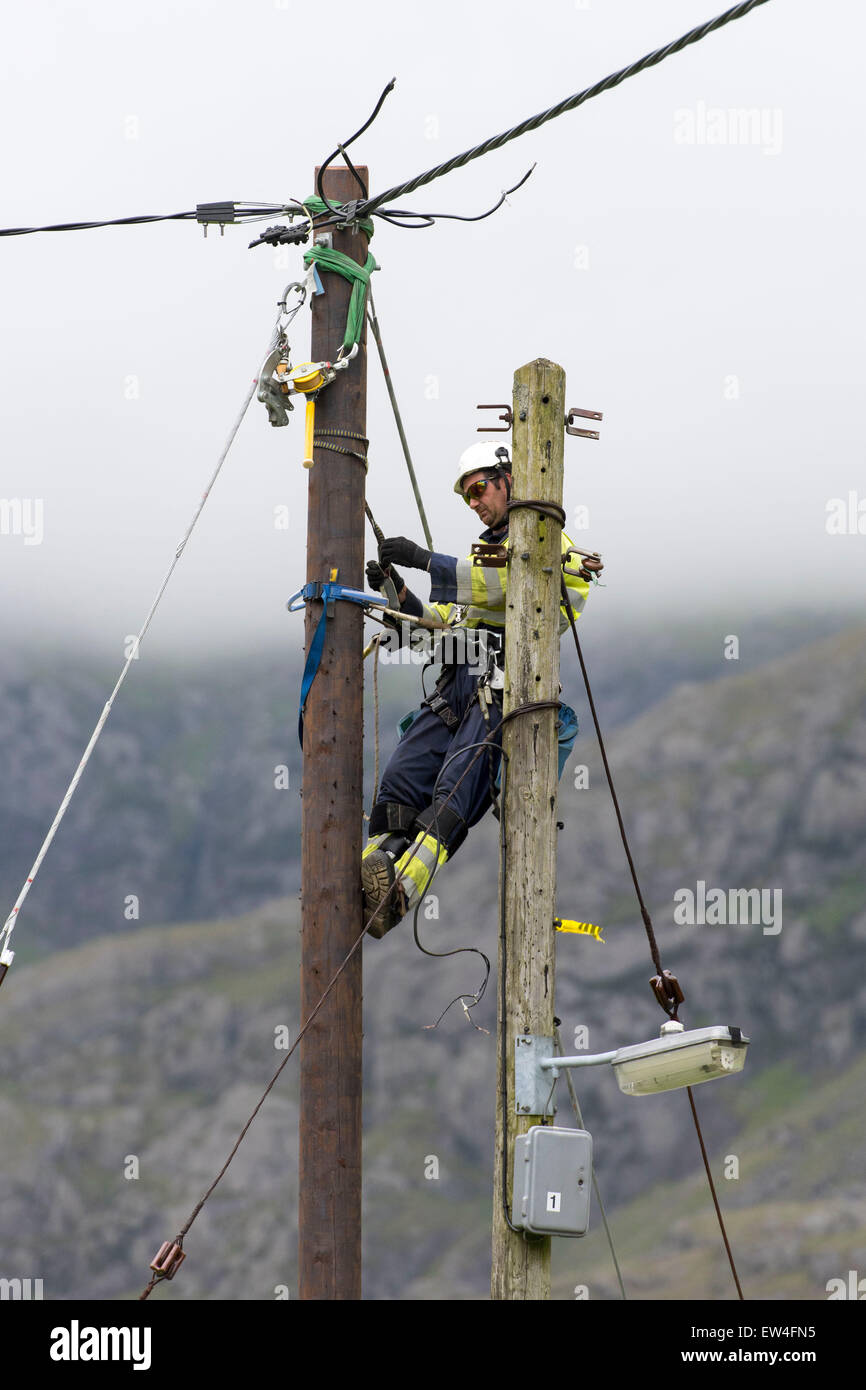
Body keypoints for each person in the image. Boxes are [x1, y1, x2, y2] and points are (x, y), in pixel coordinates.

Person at [360, 441, 592, 938]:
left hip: (502, 690)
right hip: (455, 687)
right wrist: (395, 592)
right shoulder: (475, 561)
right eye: (468, 496)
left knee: (453, 794)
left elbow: (518, 585)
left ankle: (400, 892)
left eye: (480, 489)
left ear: (508, 480)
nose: (475, 502)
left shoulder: (555, 548)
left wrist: (426, 560)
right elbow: (433, 629)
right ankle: (363, 877)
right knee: (398, 784)